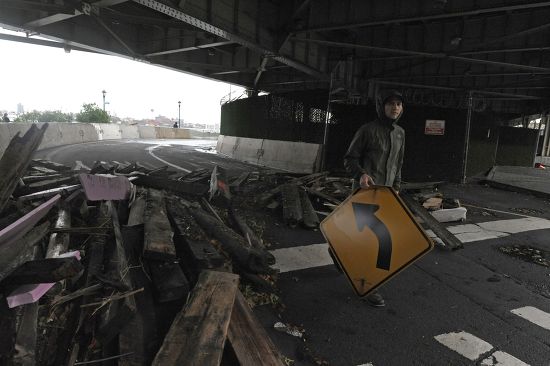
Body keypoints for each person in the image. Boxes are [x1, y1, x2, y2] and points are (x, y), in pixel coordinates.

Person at [341, 89, 406, 307]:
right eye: (390, 104)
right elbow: (349, 158)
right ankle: (369, 285)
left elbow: (398, 164)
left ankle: (337, 252)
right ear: (382, 107)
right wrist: (361, 174)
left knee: (367, 239)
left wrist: (396, 187)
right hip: (365, 196)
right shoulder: (367, 130)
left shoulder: (400, 134)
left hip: (387, 197)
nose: (395, 107)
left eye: (398, 104)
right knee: (378, 241)